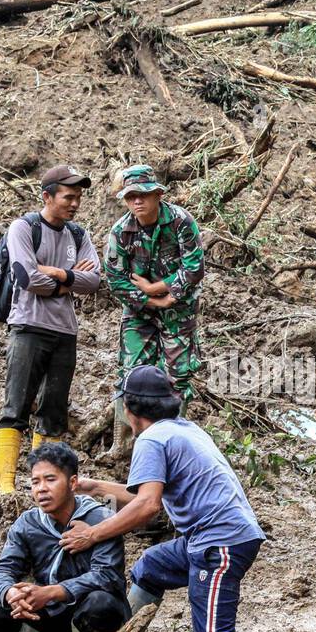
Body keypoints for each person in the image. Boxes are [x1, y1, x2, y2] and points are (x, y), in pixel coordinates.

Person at [60, 367, 264, 632]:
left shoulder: (152, 440)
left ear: (128, 409)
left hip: (220, 543)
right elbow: (146, 495)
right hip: (211, 538)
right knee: (151, 567)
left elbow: (148, 506)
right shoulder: (182, 428)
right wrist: (94, 486)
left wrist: (92, 535)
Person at [0, 164, 102, 495]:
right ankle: (4, 487)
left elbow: (94, 280)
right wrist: (70, 278)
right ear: (47, 196)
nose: (75, 204)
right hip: (28, 327)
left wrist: (57, 273)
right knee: (17, 407)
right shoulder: (23, 228)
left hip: (65, 333)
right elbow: (26, 278)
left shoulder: (79, 235)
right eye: (68, 197)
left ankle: (42, 486)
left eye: (78, 197)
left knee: (54, 412)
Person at [0, 442, 130, 632]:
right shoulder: (27, 523)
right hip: (50, 615)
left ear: (73, 482)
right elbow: (2, 570)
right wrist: (12, 593)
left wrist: (53, 592)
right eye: (35, 482)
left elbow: (108, 577)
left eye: (50, 480)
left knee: (101, 602)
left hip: (91, 615)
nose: (41, 489)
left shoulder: (100, 519)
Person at [101, 164, 205, 456]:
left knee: (178, 374)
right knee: (131, 372)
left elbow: (194, 268)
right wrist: (149, 299)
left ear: (158, 194)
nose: (137, 201)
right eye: (130, 196)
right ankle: (121, 443)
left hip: (178, 308)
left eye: (143, 195)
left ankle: (173, 441)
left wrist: (156, 288)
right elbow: (116, 279)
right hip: (139, 311)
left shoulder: (181, 222)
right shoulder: (121, 232)